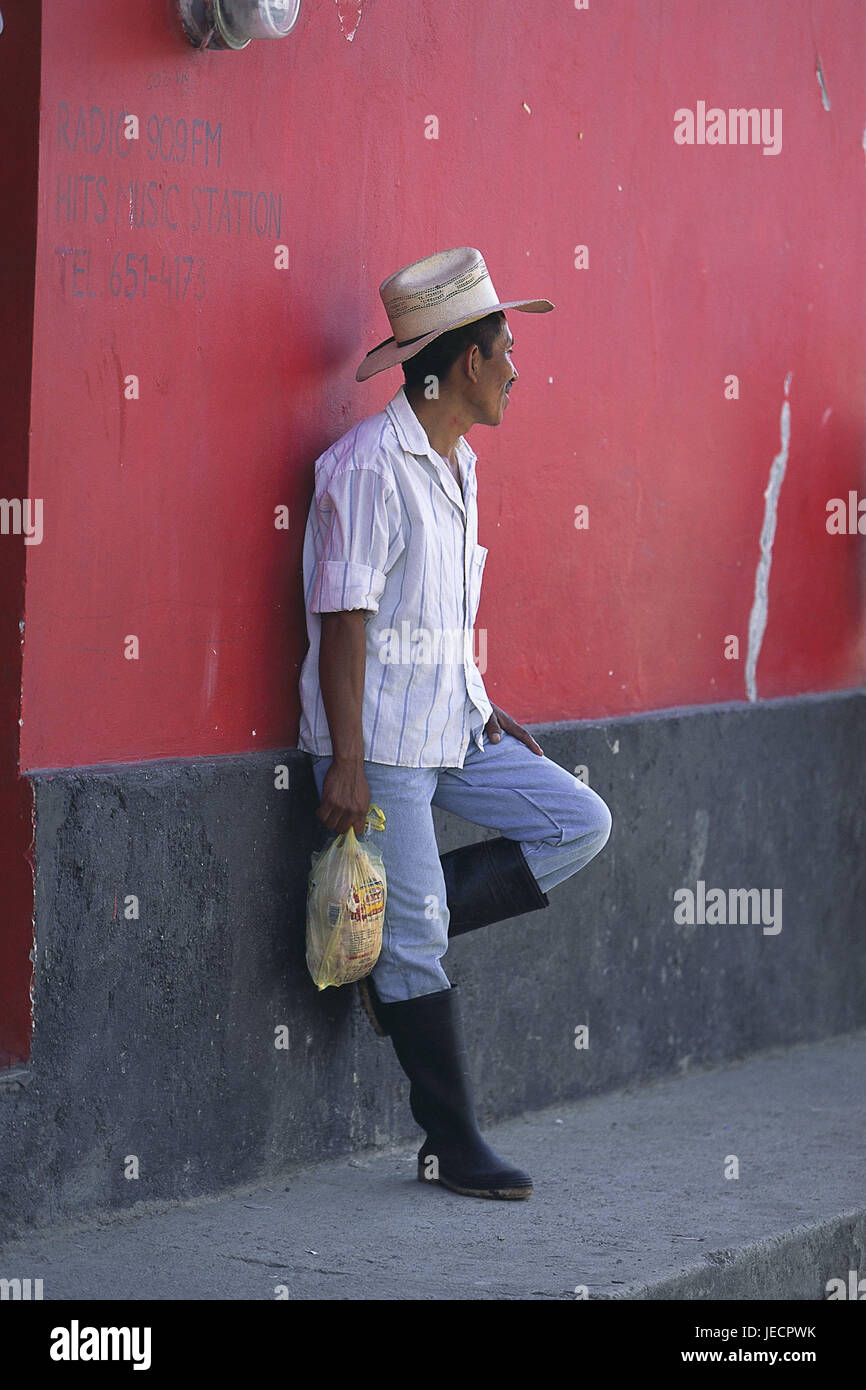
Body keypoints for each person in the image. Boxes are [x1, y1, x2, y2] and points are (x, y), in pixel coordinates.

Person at [297, 247, 612, 1200]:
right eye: (508, 349)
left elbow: (428, 608)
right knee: (423, 937)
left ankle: (395, 942)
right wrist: (346, 764)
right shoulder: (363, 468)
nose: (519, 368)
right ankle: (452, 1147)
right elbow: (344, 620)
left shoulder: (457, 464)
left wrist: (477, 692)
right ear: (466, 363)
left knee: (578, 822)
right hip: (383, 743)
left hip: (454, 720)